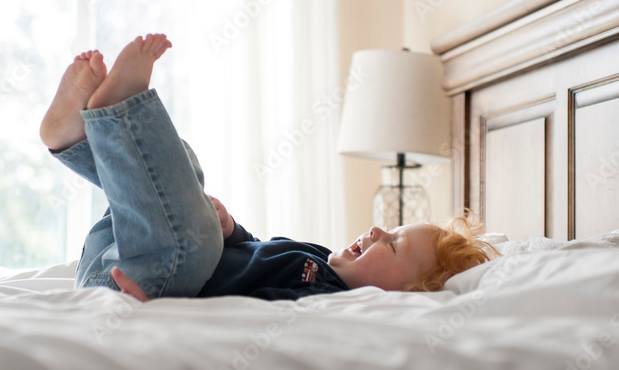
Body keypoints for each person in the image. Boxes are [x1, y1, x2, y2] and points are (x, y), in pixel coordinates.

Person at [40, 33, 495, 302]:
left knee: (194, 244)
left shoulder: (325, 299)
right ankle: (77, 138)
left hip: (141, 282)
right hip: (122, 252)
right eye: (390, 229)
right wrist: (231, 228)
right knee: (188, 179)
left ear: (405, 297)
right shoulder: (319, 258)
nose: (377, 231)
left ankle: (120, 114)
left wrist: (154, 303)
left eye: (393, 245)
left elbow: (248, 302)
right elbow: (255, 252)